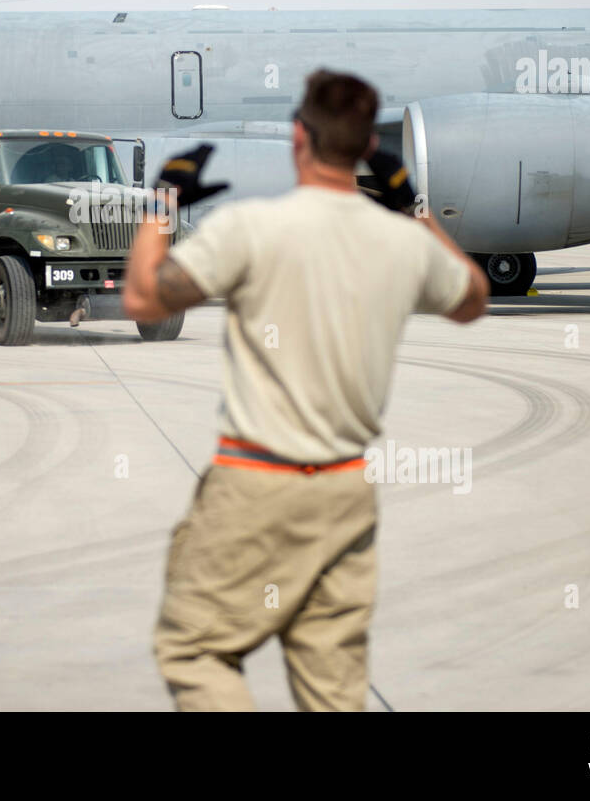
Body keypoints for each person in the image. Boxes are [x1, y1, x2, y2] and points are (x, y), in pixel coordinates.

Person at [123, 68, 489, 711]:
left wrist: (162, 204)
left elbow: (142, 296)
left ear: (299, 137)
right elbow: (472, 301)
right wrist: (415, 209)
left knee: (197, 650)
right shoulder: (403, 243)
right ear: (366, 149)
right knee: (334, 685)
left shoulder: (251, 230)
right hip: (347, 492)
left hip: (257, 482)